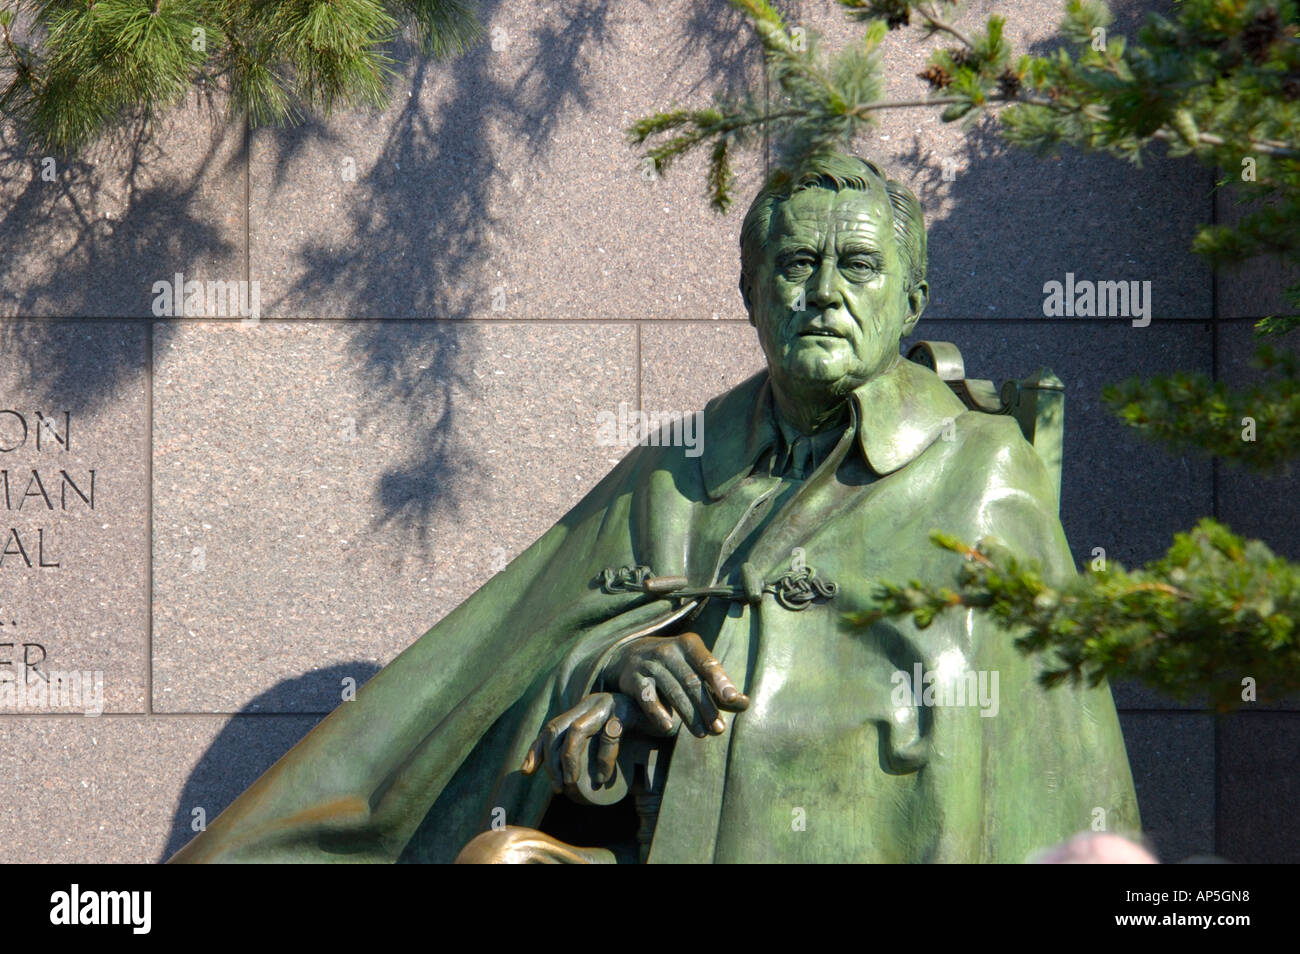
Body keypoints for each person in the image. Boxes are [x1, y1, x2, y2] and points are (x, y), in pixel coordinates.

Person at [170, 151, 1139, 864]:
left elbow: (1013, 747)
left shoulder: (980, 473)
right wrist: (610, 669)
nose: (823, 294)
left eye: (859, 269)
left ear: (913, 301)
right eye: (796, 266)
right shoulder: (676, 468)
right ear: (749, 292)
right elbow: (516, 655)